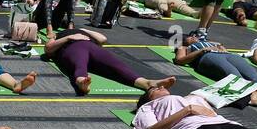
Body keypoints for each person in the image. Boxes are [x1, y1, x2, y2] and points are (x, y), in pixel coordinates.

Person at [173, 29, 257, 104]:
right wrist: (202, 51)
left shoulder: (209, 42)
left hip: (226, 55)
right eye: (190, 37)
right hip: (207, 57)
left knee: (252, 74)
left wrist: (221, 47)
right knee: (233, 74)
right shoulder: (185, 48)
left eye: (195, 36)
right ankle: (251, 94)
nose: (194, 37)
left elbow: (223, 48)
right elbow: (180, 60)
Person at [45, 27, 176, 95]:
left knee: (118, 66)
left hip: (92, 46)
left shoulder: (83, 32)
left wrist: (83, 30)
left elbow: (102, 39)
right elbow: (48, 49)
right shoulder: (59, 35)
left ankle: (147, 83)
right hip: (72, 47)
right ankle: (81, 82)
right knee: (80, 63)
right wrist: (69, 37)